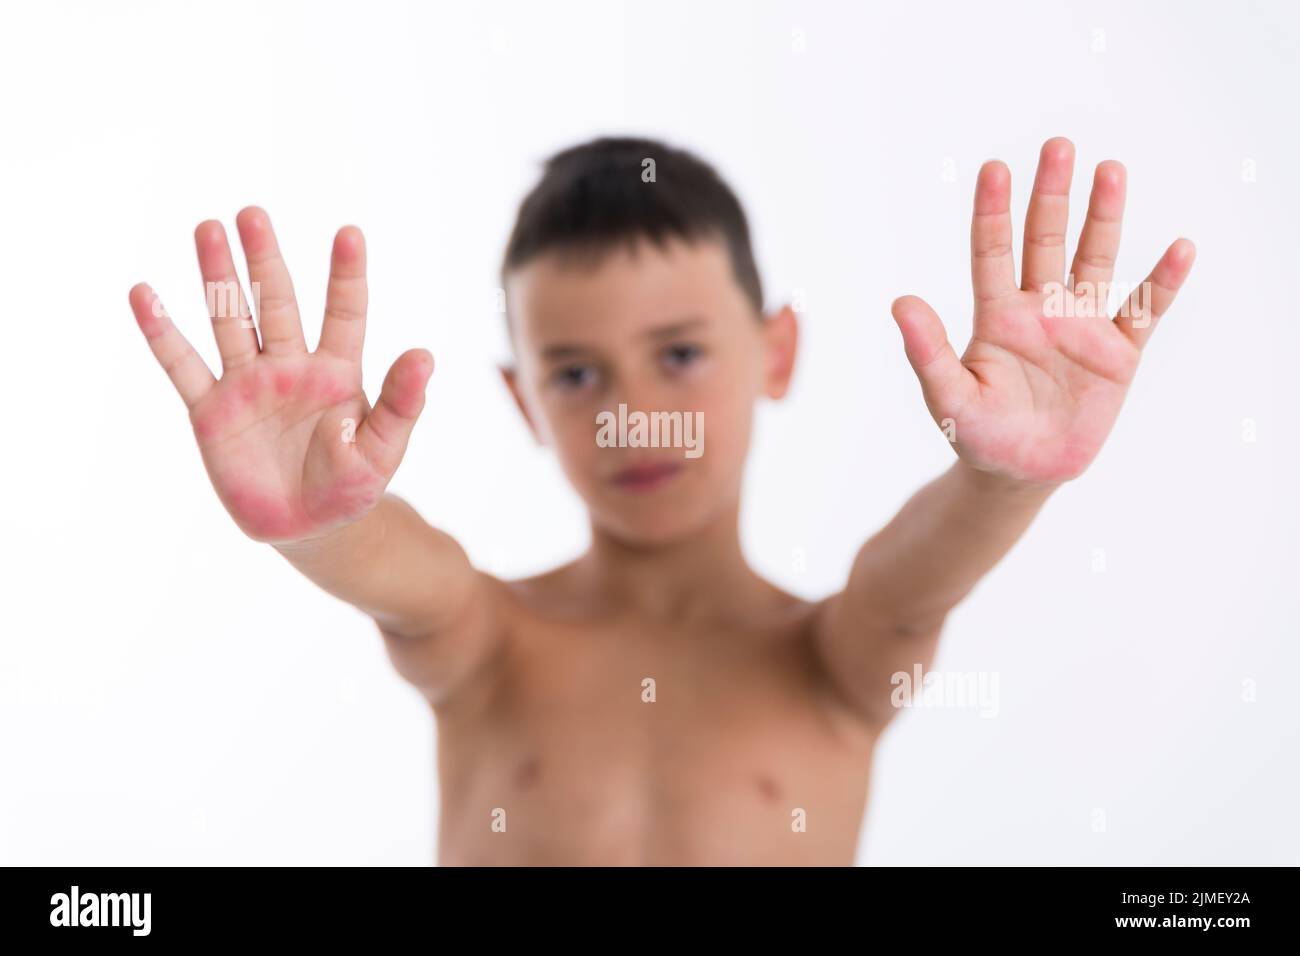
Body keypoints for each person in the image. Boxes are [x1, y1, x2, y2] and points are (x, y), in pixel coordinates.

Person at [127, 136, 1195, 865]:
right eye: (577, 374)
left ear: (776, 351)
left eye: (678, 352)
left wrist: (998, 480)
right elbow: (416, 584)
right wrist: (331, 521)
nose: (633, 410)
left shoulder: (831, 660)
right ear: (523, 400)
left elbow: (907, 590)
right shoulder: (493, 640)